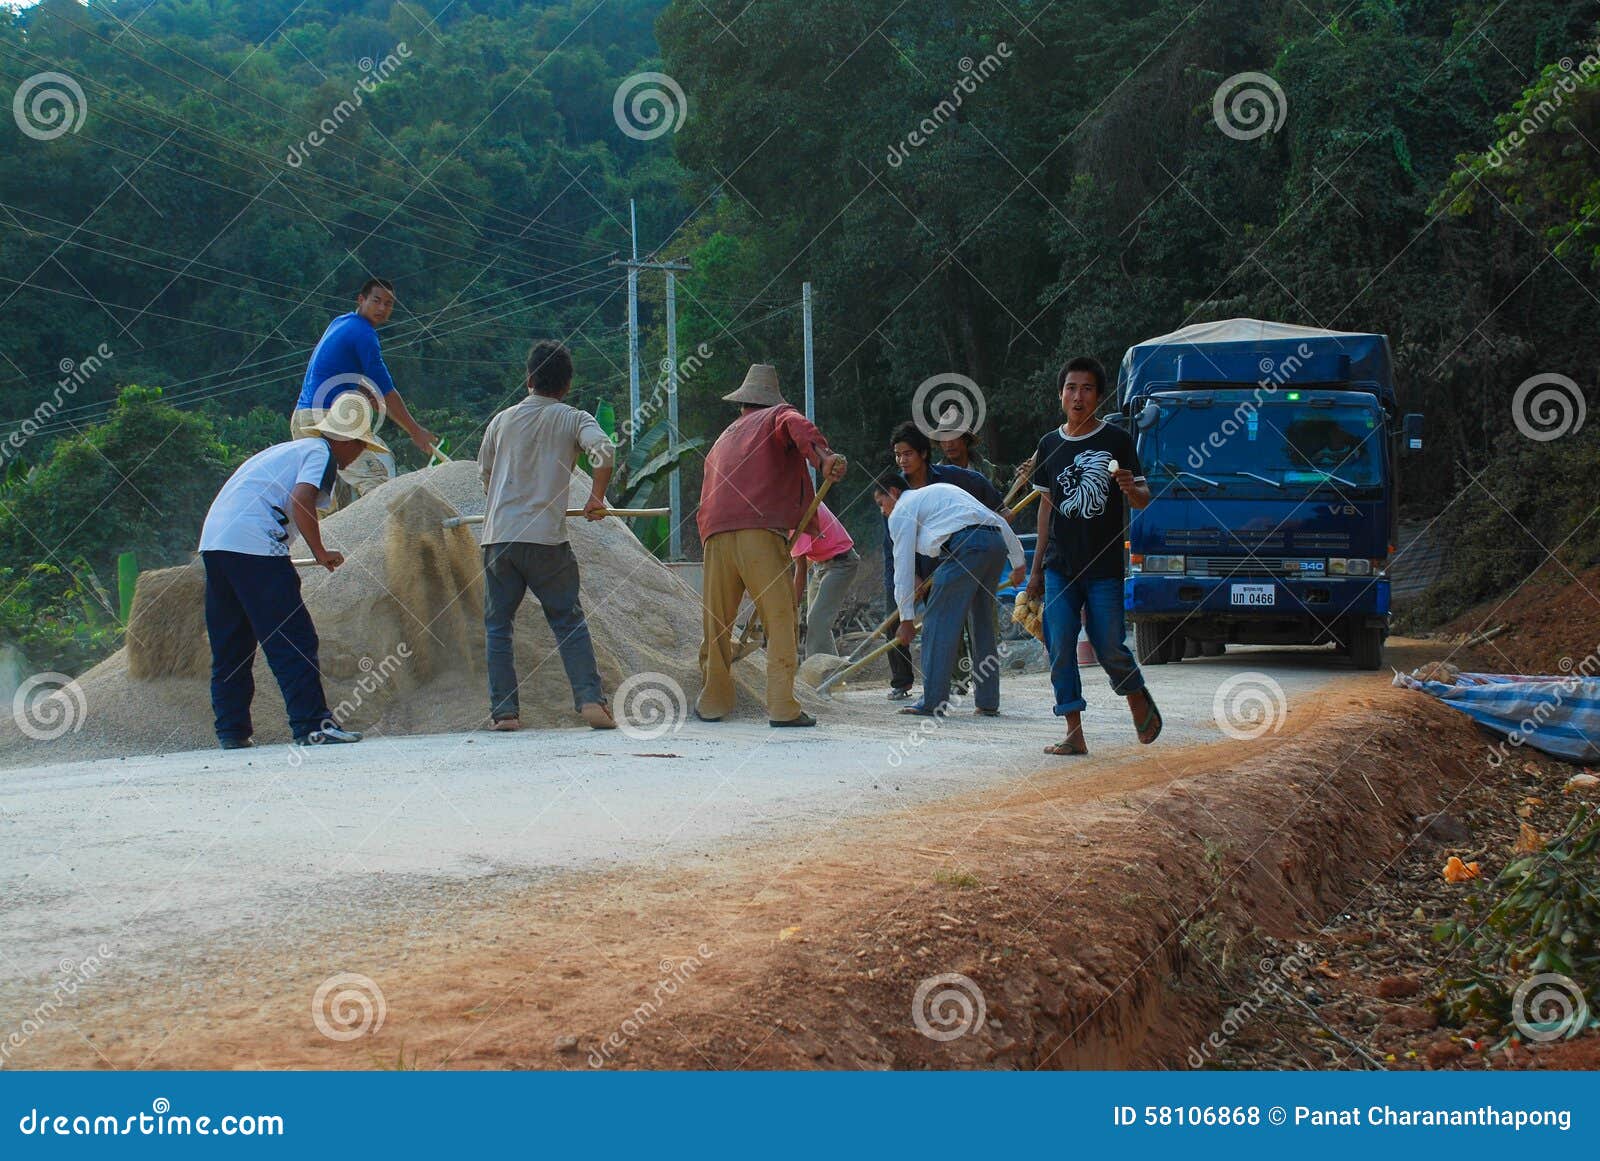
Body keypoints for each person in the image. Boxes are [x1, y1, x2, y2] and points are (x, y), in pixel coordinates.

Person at [197, 410, 385, 750]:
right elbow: (301, 500)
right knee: (292, 637)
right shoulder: (319, 452)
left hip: (216, 543)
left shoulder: (286, 452)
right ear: (345, 441)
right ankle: (312, 725)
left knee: (232, 644)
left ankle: (232, 730)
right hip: (255, 546)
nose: (359, 455)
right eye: (360, 446)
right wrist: (320, 551)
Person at [1024, 356, 1161, 755]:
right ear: (1060, 395)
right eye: (1070, 388)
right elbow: (1045, 510)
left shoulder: (1116, 440)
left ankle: (1134, 692)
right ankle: (1073, 731)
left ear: (1099, 397)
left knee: (1108, 645)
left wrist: (1128, 488)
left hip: (1102, 567)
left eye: (1086, 389)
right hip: (1059, 567)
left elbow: (1143, 500)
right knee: (1060, 641)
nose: (1077, 396)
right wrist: (1035, 572)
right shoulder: (1049, 445)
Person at [697, 363, 848, 726]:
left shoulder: (724, 436)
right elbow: (798, 428)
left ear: (743, 405)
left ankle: (713, 700)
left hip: (714, 535)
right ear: (770, 401)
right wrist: (824, 457)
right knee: (780, 620)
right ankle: (782, 706)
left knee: (716, 623)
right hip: (759, 532)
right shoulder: (780, 415)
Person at [477, 341, 617, 732]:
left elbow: (485, 475)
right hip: (546, 540)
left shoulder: (501, 421)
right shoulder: (572, 418)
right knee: (567, 619)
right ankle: (591, 701)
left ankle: (505, 712)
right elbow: (604, 450)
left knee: (498, 626)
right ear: (567, 384)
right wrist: (596, 497)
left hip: (498, 539)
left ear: (529, 379)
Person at [876, 475, 1026, 718]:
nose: (883, 511)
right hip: (994, 544)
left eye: (881, 503)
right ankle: (988, 701)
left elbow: (902, 566)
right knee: (983, 623)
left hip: (964, 548)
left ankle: (932, 701)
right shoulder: (943, 491)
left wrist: (906, 619)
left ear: (893, 492)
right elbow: (994, 518)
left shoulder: (901, 510)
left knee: (936, 622)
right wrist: (1018, 561)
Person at [882, 421, 1004, 700]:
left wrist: (1001, 512)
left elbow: (989, 500)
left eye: (908, 454)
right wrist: (910, 578)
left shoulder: (953, 477)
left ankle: (954, 694)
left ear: (923, 454)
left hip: (959, 558)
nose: (903, 460)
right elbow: (893, 544)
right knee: (899, 615)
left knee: (963, 624)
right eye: (898, 455)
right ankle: (905, 682)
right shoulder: (894, 490)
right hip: (915, 565)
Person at [291, 277, 438, 504]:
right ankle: (380, 537)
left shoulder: (341, 322)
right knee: (376, 479)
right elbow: (387, 392)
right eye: (376, 301)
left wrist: (361, 389)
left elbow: (332, 367)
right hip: (327, 419)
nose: (382, 308)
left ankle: (326, 537)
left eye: (388, 304)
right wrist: (415, 431)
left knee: (326, 497)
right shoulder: (365, 334)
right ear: (361, 299)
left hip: (302, 419)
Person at [791, 502, 860, 658]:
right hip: (820, 565)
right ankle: (832, 668)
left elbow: (801, 569)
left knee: (817, 619)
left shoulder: (797, 513)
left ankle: (821, 673)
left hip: (842, 563)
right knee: (815, 620)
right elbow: (805, 561)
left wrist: (791, 609)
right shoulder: (801, 496)